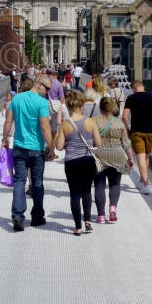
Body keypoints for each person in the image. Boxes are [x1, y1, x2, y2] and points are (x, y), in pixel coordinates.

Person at [1, 73, 54, 232]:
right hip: (36, 150)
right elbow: (45, 127)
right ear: (39, 85)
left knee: (19, 181)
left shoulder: (16, 99)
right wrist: (51, 147)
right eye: (47, 88)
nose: (48, 92)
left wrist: (5, 140)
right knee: (37, 183)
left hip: (19, 147)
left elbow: (8, 121)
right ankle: (37, 217)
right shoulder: (42, 103)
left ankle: (17, 216)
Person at [55, 90, 101, 236]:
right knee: (86, 191)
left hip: (72, 162)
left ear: (68, 106)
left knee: (74, 194)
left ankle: (78, 227)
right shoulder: (90, 122)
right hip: (88, 160)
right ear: (82, 105)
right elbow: (98, 143)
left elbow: (59, 147)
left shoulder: (65, 124)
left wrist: (70, 144)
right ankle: (88, 221)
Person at [92, 96, 133, 223]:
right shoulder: (119, 123)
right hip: (117, 155)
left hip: (99, 155)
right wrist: (130, 158)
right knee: (115, 184)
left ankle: (101, 216)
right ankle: (113, 208)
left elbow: (88, 140)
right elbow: (126, 143)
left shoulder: (94, 121)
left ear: (100, 108)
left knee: (99, 185)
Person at [122, 80, 152, 195]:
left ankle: (146, 184)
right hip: (150, 131)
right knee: (146, 158)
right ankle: (142, 180)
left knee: (140, 158)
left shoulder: (131, 98)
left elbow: (124, 117)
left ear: (133, 89)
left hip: (137, 131)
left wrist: (128, 130)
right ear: (143, 87)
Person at [46, 69, 67, 139]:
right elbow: (62, 99)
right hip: (55, 107)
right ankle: (52, 145)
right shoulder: (58, 84)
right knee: (54, 129)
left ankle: (47, 143)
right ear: (55, 75)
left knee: (46, 126)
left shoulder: (44, 83)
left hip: (45, 105)